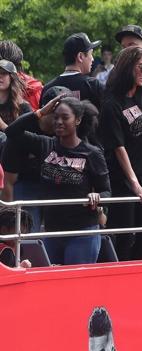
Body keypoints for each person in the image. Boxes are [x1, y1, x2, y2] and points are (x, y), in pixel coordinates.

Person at [3, 93, 110, 264]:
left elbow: (106, 191)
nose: (59, 121)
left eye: (65, 117)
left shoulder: (92, 153)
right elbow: (11, 132)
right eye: (56, 117)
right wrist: (40, 112)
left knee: (74, 286)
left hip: (81, 233)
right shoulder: (46, 144)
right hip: (52, 231)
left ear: (78, 120)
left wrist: (97, 197)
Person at [97, 46, 142, 259]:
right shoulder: (112, 103)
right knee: (124, 236)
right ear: (128, 68)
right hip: (124, 179)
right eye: (141, 67)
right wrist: (134, 184)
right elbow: (118, 147)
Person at [49, 33, 107, 110]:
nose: (92, 59)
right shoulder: (94, 86)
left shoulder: (48, 88)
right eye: (91, 54)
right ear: (80, 56)